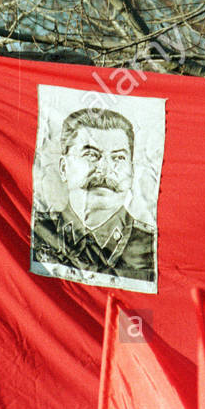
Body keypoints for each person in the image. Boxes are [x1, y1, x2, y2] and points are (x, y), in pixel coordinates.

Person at [32, 107, 155, 282]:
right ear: (64, 168)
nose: (105, 170)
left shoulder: (151, 247)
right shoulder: (33, 232)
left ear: (132, 172)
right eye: (91, 154)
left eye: (118, 158)